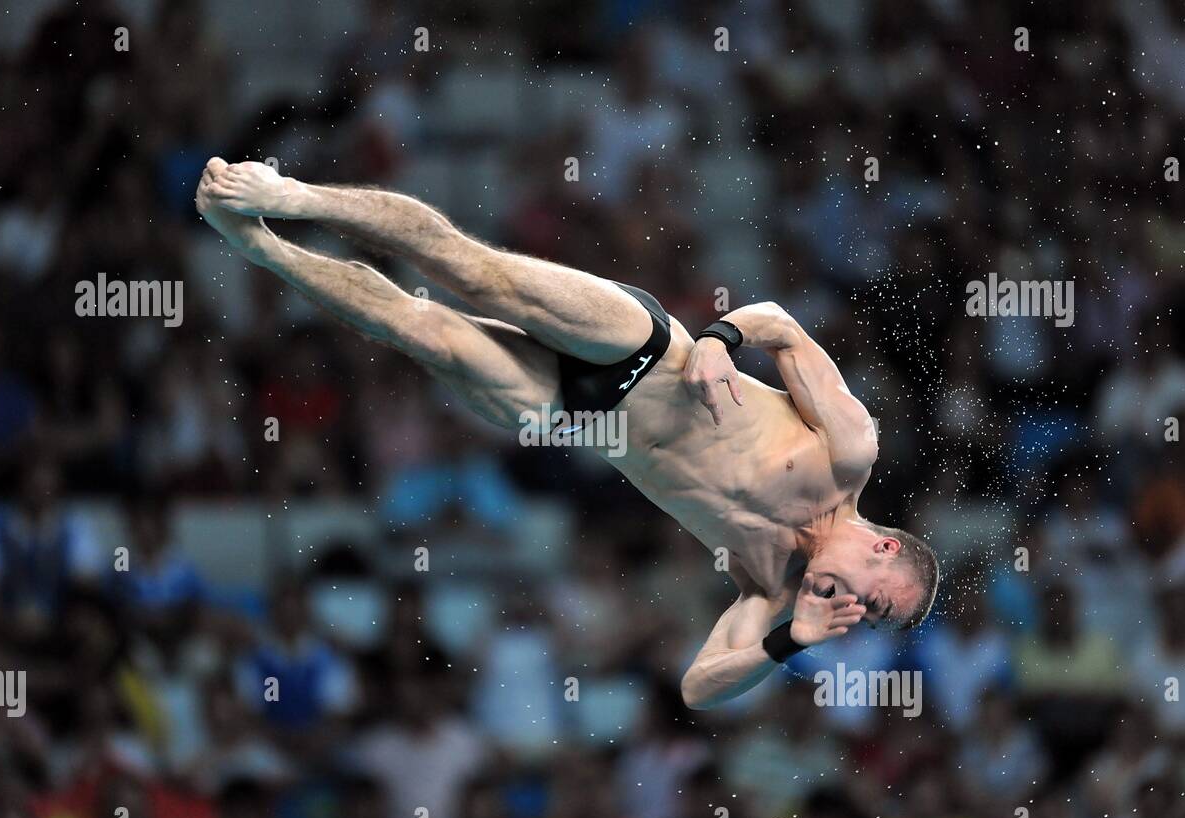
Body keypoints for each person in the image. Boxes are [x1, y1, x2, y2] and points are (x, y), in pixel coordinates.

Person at [194, 158, 939, 709]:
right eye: (875, 603)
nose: (855, 616)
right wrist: (717, 340)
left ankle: (259, 244)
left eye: (867, 621)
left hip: (576, 413)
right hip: (643, 349)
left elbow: (697, 687)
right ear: (883, 548)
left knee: (416, 329)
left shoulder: (773, 583)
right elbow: (778, 322)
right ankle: (293, 195)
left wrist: (789, 641)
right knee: (475, 273)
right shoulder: (850, 451)